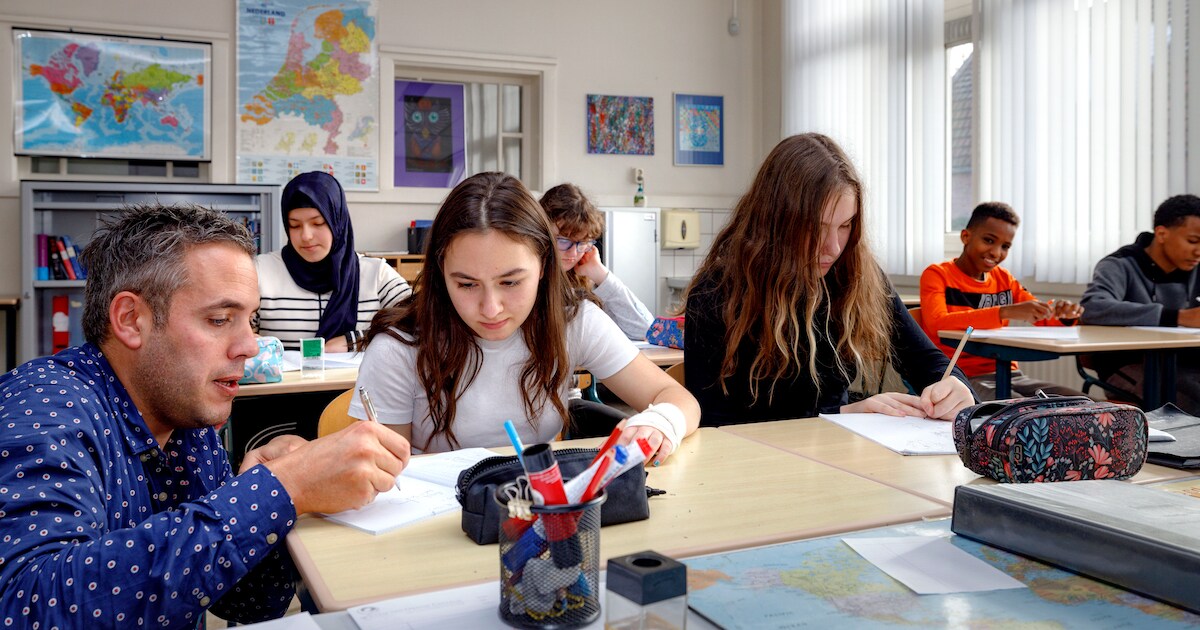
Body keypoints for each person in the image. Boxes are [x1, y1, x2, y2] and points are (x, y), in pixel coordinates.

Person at [0, 204, 411, 627]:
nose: (250, 346)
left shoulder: (185, 416)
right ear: (131, 320)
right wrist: (284, 487)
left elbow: (245, 602)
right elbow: (26, 605)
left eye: (250, 320)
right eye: (219, 319)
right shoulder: (44, 410)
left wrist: (275, 495)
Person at [350, 172, 700, 465]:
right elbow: (382, 475)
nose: (491, 308)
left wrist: (661, 421)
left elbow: (676, 397)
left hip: (540, 507)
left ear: (544, 266)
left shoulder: (573, 321)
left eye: (511, 282)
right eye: (466, 284)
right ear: (441, 272)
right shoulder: (399, 348)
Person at [683, 133, 976, 426]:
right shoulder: (717, 291)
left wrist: (955, 386)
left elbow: (925, 360)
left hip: (838, 447)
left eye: (845, 225)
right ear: (776, 222)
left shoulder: (856, 273)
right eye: (815, 228)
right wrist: (839, 415)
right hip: (758, 454)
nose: (833, 248)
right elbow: (714, 421)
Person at [919, 202, 1086, 400]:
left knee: (1085, 403)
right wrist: (1003, 312)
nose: (996, 253)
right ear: (965, 236)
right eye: (989, 240)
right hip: (959, 377)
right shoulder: (937, 274)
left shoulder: (1004, 279)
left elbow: (1041, 317)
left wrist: (1063, 315)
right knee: (1024, 410)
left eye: (1005, 246)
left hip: (1009, 374)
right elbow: (937, 322)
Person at [256, 171, 411, 352]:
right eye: (295, 225)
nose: (306, 236)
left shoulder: (377, 275)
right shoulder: (261, 272)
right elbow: (235, 331)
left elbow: (420, 324)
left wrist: (356, 341)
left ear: (337, 221)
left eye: (318, 223)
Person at [1080, 194, 1200, 413]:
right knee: (1191, 401)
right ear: (1162, 234)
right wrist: (1178, 317)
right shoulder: (1119, 264)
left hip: (1185, 361)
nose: (1198, 251)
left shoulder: (1195, 266)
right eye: (1193, 241)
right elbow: (1093, 307)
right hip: (1129, 363)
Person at [539, 183, 654, 341]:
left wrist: (602, 275)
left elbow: (646, 330)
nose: (573, 253)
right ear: (542, 234)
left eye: (582, 243)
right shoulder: (528, 280)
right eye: (564, 241)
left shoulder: (583, 283)